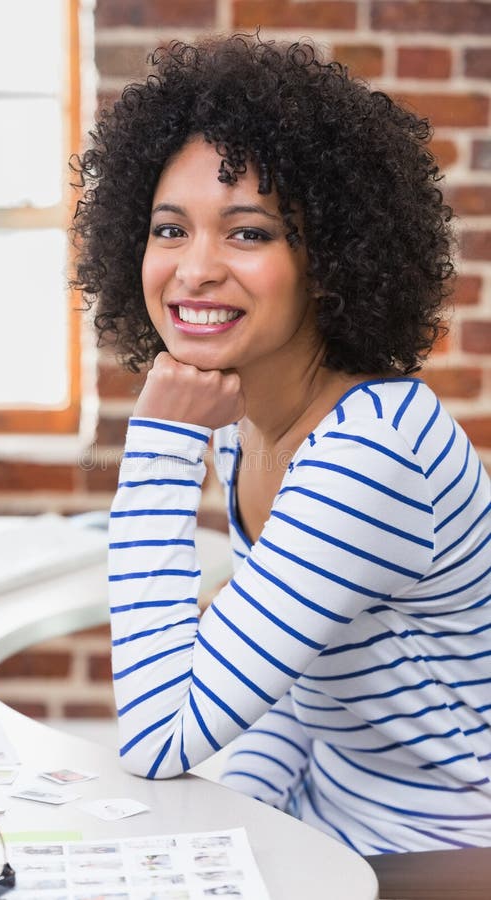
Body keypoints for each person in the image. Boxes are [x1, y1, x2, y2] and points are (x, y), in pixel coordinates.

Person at [72, 35, 491, 855]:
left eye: (248, 234)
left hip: (439, 858)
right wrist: (238, 825)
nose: (195, 269)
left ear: (326, 260)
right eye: (169, 229)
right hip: (333, 828)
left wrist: (160, 450)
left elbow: (159, 735)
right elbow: (292, 696)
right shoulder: (249, 425)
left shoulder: (371, 456)